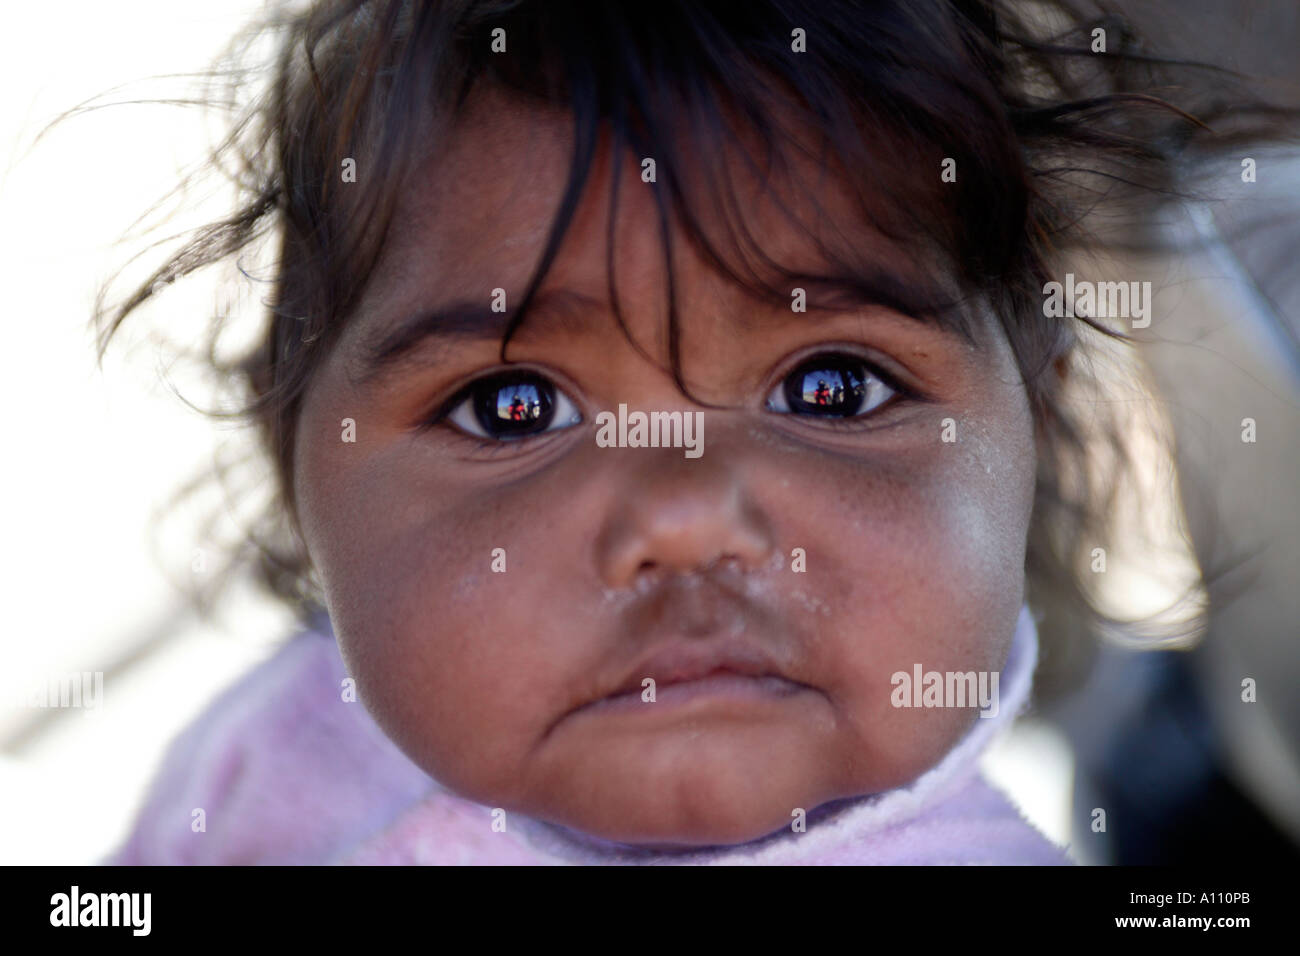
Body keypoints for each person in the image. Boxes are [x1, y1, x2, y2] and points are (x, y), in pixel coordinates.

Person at [94, 0, 1296, 864]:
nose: (684, 516)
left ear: (1030, 416)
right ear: (289, 457)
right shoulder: (288, 737)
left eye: (830, 387)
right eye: (514, 408)